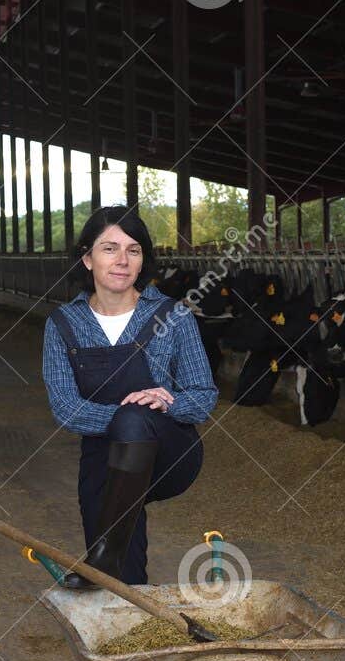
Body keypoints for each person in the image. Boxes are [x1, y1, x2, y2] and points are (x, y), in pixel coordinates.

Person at [42, 206, 218, 587]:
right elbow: (66, 410)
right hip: (105, 458)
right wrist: (125, 418)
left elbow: (203, 396)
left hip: (171, 452)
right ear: (88, 258)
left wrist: (168, 401)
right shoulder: (63, 324)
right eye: (109, 248)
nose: (122, 260)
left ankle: (102, 561)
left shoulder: (174, 316)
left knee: (135, 419)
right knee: (121, 572)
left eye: (134, 250)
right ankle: (125, 604)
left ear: (142, 261)